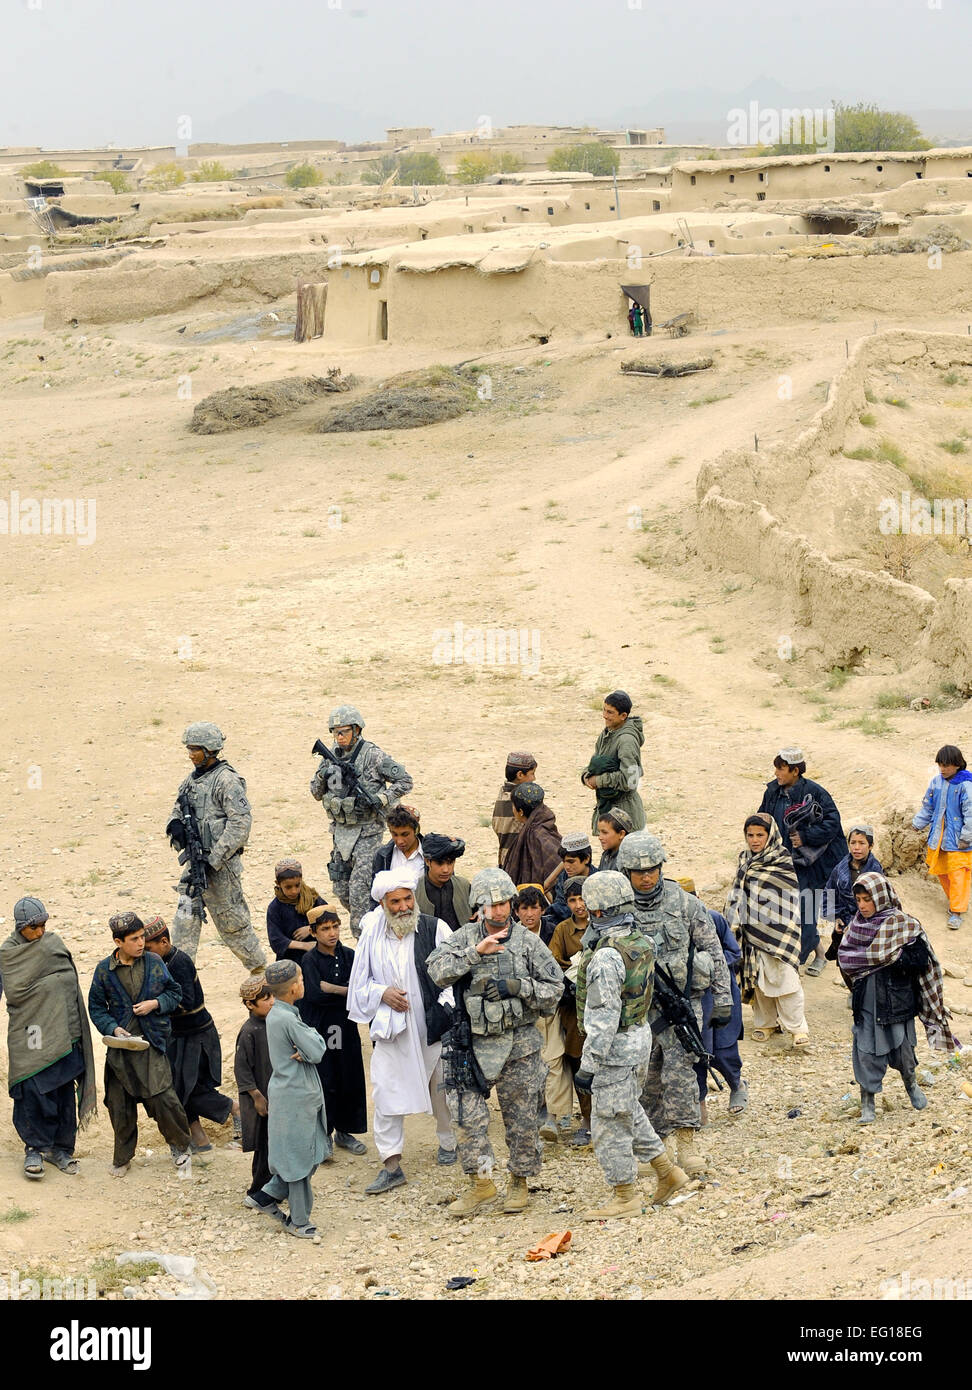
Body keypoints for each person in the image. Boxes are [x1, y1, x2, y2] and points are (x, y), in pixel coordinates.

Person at [426, 867, 564, 1217]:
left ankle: (519, 1181)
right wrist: (476, 952)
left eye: (504, 903)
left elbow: (556, 989)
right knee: (467, 1119)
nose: (499, 910)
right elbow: (435, 971)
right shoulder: (463, 938)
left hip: (518, 1045)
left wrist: (519, 987)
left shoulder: (528, 942)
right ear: (478, 907)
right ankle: (482, 1183)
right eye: (490, 904)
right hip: (470, 1046)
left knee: (521, 1119)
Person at [574, 872, 688, 1217]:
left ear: (596, 912)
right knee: (629, 1110)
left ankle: (625, 1196)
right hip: (638, 1038)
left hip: (615, 1050)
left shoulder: (607, 958)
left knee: (609, 1122)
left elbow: (603, 1018)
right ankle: (668, 1173)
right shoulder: (640, 940)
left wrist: (588, 1066)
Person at [618, 831, 731, 1179]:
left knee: (681, 1075)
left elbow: (714, 950)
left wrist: (723, 998)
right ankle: (657, 1150)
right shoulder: (618, 909)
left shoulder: (685, 904)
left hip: (682, 1006)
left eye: (652, 868)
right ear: (626, 872)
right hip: (639, 1011)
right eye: (638, 871)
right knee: (647, 1080)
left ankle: (687, 1146)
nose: (646, 876)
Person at [347, 871, 457, 1194]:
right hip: (391, 1031)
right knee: (385, 1093)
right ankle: (391, 1164)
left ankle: (448, 1143)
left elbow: (453, 974)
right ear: (383, 903)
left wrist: (445, 1010)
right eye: (395, 901)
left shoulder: (435, 929)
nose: (404, 906)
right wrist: (382, 993)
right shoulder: (371, 935)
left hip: (430, 1027)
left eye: (408, 898)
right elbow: (359, 987)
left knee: (442, 1089)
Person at [839, 872, 957, 1123]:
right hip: (867, 1001)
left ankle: (911, 1085)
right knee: (865, 1051)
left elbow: (921, 960)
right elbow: (844, 959)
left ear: (880, 898)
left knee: (903, 1050)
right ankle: (867, 1102)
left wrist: (893, 958)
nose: (862, 905)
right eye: (858, 899)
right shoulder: (855, 927)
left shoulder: (903, 924)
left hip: (897, 999)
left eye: (867, 899)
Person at [87, 912, 192, 1177]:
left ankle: (180, 1148)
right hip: (121, 1048)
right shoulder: (104, 970)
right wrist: (113, 1028)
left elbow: (174, 992)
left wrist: (155, 1004)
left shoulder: (155, 962)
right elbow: (97, 1008)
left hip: (151, 1043)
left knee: (163, 1099)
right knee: (119, 1105)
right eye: (134, 939)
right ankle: (122, 1158)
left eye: (143, 937)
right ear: (118, 942)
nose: (141, 943)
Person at [1, 897, 96, 1180]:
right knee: (32, 1086)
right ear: (21, 927)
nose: (40, 932)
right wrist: (49, 985)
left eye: (43, 925)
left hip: (63, 1029)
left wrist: (53, 985)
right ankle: (35, 1147)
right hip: (31, 1031)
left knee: (63, 1088)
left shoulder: (53, 944)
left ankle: (61, 1149)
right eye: (34, 927)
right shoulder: (8, 954)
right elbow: (15, 991)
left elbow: (68, 978)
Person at [167, 722, 266, 973]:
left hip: (221, 869)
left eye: (195, 749)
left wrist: (215, 858)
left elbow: (240, 824)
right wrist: (175, 825)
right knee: (184, 922)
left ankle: (260, 970)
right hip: (195, 866)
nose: (190, 755)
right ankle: (180, 977)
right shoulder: (189, 781)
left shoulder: (227, 780)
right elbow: (178, 808)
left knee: (232, 924)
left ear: (210, 750)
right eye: (189, 749)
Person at [310, 704, 413, 939]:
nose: (339, 737)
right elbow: (315, 792)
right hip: (340, 832)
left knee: (359, 894)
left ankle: (364, 942)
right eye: (335, 732)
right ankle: (378, 925)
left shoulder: (373, 755)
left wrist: (382, 797)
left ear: (357, 730)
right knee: (341, 889)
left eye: (344, 731)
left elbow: (405, 781)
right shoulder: (329, 756)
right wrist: (322, 775)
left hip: (367, 833)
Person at [142, 915, 240, 1155]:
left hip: (196, 1037)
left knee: (188, 1090)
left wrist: (155, 1004)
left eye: (149, 947)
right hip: (178, 1038)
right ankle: (200, 1139)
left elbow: (185, 1001)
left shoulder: (179, 963)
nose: (145, 953)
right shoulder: (159, 963)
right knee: (176, 1091)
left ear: (164, 942)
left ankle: (236, 1109)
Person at [724, 814, 809, 1048]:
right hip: (752, 931)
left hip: (781, 932)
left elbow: (788, 899)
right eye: (750, 835)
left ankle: (797, 1027)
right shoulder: (744, 860)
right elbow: (737, 894)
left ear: (770, 835)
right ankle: (766, 1023)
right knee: (759, 978)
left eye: (760, 835)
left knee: (787, 979)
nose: (754, 840)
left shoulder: (782, 860)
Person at [758, 745, 845, 973]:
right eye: (776, 768)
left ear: (795, 771)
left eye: (782, 769)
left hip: (809, 866)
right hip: (782, 864)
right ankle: (819, 954)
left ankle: (795, 963)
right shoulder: (772, 792)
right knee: (788, 914)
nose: (777, 773)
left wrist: (805, 836)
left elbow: (832, 825)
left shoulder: (816, 793)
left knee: (805, 914)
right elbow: (762, 820)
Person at [260, 959, 331, 1238]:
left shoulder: (280, 1013)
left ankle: (267, 1196)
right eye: (300, 979)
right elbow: (317, 1050)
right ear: (292, 988)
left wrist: (307, 1047)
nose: (304, 983)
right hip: (296, 1096)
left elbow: (310, 1049)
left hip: (293, 1093)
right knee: (301, 1157)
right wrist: (310, 1044)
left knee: (301, 1153)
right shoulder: (288, 1018)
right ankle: (299, 1221)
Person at [298, 907, 368, 1155]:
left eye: (335, 926)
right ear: (314, 933)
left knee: (348, 1075)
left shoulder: (350, 955)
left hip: (345, 1025)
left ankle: (345, 1132)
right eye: (325, 929)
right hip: (322, 1026)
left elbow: (360, 989)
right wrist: (345, 990)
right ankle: (324, 1135)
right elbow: (315, 995)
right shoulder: (310, 960)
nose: (332, 933)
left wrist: (334, 989)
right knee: (326, 1079)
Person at [680, 879, 747, 1119]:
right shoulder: (673, 927)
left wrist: (708, 967)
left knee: (722, 1048)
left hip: (718, 994)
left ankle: (737, 1085)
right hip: (692, 999)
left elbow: (733, 953)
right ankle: (700, 1106)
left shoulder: (714, 919)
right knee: (695, 1053)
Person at [514, 886, 571, 1139]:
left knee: (554, 1058)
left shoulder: (553, 932)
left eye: (534, 908)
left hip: (549, 1007)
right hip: (521, 1009)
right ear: (516, 911)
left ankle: (552, 1117)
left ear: (542, 909)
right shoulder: (509, 936)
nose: (529, 914)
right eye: (524, 908)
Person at [548, 878, 594, 1145]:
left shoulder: (601, 925)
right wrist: (575, 967)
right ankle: (587, 1119)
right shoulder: (563, 930)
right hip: (574, 1012)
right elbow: (554, 962)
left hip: (598, 1008)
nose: (579, 905)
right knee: (578, 1063)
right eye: (573, 900)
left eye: (582, 899)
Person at [234, 976, 281, 1220]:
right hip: (262, 1100)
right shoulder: (249, 1031)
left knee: (275, 1144)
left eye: (273, 996)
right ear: (250, 1004)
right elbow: (242, 1069)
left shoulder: (275, 1023)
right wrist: (256, 1096)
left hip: (277, 1096)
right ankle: (257, 1192)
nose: (272, 1002)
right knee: (264, 1146)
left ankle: (273, 1188)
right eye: (266, 998)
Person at [913, 744, 972, 930]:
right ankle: (955, 901)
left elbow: (971, 814)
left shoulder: (966, 785)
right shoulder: (936, 782)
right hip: (938, 838)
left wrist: (966, 837)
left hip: (959, 841)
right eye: (940, 765)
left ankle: (957, 911)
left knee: (958, 875)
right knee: (942, 870)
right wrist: (917, 823)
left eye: (946, 765)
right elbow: (928, 807)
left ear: (957, 764)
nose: (943, 769)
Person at [581, 691, 646, 833]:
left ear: (623, 716)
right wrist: (586, 776)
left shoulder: (626, 740)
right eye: (604, 710)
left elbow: (631, 781)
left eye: (610, 712)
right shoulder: (608, 733)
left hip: (626, 816)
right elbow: (595, 762)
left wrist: (598, 781)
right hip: (609, 811)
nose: (605, 715)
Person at [822, 825, 883, 968]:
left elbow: (880, 901)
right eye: (853, 843)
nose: (856, 847)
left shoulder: (875, 870)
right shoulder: (840, 868)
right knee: (844, 961)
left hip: (867, 925)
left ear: (871, 845)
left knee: (865, 963)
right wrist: (836, 917)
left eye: (861, 843)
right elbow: (829, 891)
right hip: (844, 923)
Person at [266, 858, 327, 963]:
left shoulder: (312, 898)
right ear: (278, 884)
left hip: (318, 955)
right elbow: (276, 940)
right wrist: (304, 945)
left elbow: (329, 917)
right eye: (288, 887)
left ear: (301, 880)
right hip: (291, 960)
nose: (294, 891)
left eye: (297, 885)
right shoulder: (275, 908)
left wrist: (311, 928)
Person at [503, 783, 562, 890]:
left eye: (513, 805)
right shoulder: (542, 824)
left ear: (520, 812)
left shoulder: (537, 835)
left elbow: (556, 864)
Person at [415, 833, 472, 930]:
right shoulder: (415, 890)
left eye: (450, 863)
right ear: (427, 861)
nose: (446, 870)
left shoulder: (464, 886)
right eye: (439, 863)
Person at [492, 752, 538, 869]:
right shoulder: (519, 800)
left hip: (505, 861)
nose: (534, 778)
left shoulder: (503, 793)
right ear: (520, 775)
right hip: (518, 864)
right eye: (532, 774)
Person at [545, 832, 597, 932]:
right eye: (564, 862)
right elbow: (559, 905)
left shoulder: (597, 879)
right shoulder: (563, 877)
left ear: (586, 859)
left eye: (571, 862)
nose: (566, 866)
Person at [371, 806, 425, 890]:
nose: (399, 841)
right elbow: (376, 891)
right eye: (395, 834)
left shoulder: (431, 854)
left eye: (405, 834)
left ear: (416, 831)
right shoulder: (383, 855)